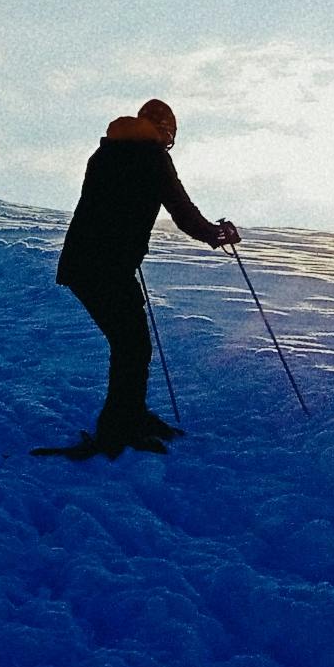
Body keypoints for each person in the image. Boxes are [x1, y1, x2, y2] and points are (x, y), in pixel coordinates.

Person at [56, 100, 239, 453]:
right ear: (164, 130)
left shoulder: (105, 153)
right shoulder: (153, 157)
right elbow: (182, 211)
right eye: (170, 135)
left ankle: (131, 416)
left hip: (87, 264)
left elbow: (109, 205)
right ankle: (119, 428)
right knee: (132, 345)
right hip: (106, 266)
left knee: (131, 343)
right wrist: (216, 234)